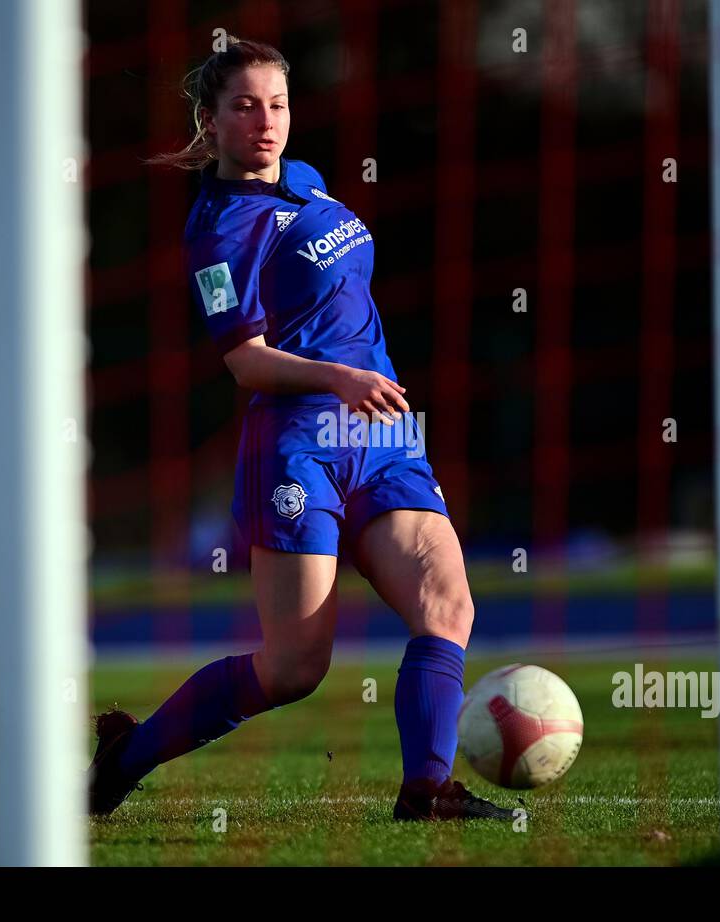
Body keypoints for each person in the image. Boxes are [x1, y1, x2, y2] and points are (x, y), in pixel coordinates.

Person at [88, 36, 517, 823]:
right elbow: (246, 364)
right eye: (244, 106)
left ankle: (426, 789)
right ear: (210, 121)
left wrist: (365, 385)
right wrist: (341, 379)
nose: (265, 121)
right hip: (298, 447)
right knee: (294, 668)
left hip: (386, 440)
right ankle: (129, 754)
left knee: (447, 608)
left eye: (277, 104)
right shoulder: (217, 230)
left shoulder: (308, 183)